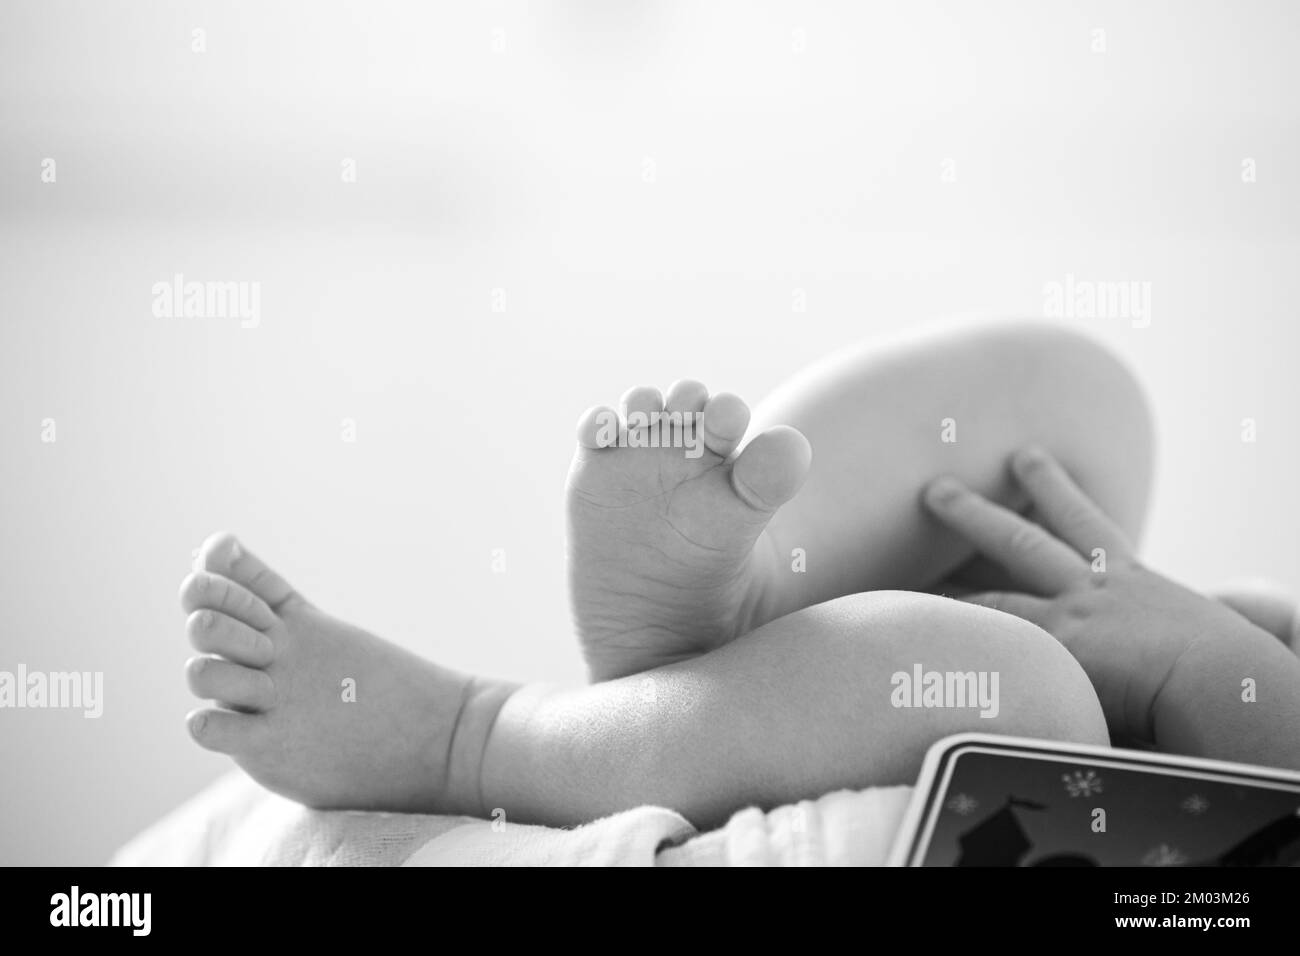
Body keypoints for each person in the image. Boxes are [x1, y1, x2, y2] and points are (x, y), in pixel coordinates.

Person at [176, 319, 1300, 830]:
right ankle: (755, 577)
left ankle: (476, 737)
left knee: (1010, 690)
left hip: (1112, 780)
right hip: (1168, 677)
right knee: (1079, 400)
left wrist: (1215, 659)